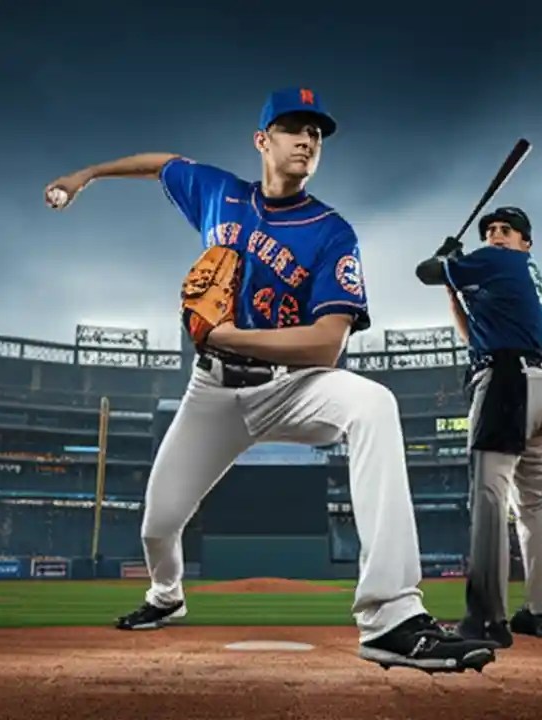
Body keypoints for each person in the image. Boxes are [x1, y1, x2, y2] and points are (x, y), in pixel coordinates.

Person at [43, 88, 494, 673]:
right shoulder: (217, 192)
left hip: (295, 385)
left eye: (317, 133)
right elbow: (161, 164)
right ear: (263, 140)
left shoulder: (331, 232)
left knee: (373, 405)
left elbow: (328, 343)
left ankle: (391, 617)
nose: (308, 139)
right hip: (213, 392)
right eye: (293, 128)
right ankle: (166, 594)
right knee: (158, 522)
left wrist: (225, 334)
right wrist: (87, 175)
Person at [413, 206, 542, 648]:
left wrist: (445, 259)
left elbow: (423, 270)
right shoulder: (523, 273)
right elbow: (471, 334)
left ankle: (486, 619)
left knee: (488, 500)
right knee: (535, 506)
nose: (497, 235)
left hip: (505, 383)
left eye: (507, 230)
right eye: (491, 230)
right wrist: (452, 285)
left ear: (525, 242)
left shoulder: (497, 260)